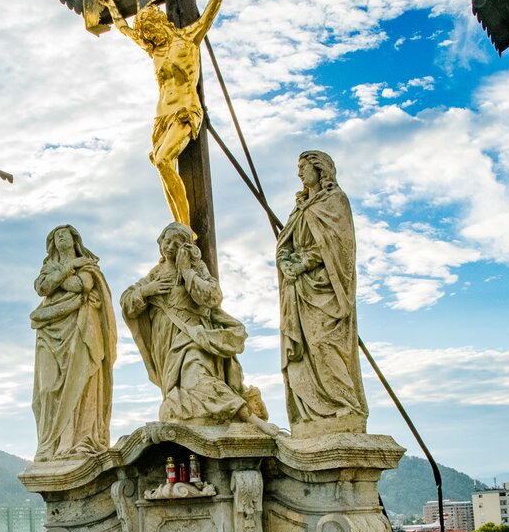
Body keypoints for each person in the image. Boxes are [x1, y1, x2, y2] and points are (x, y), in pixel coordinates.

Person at [98, 0, 242, 226]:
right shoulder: (156, 51)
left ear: (160, 22)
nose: (146, 32)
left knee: (163, 160)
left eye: (149, 26)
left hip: (186, 111)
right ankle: (179, 227)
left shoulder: (189, 37)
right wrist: (112, 7)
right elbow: (125, 31)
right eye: (145, 30)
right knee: (160, 162)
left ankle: (185, 230)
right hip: (161, 117)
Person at [121, 222, 277, 433]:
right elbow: (127, 303)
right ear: (160, 243)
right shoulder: (154, 274)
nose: (170, 247)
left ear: (186, 247)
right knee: (176, 394)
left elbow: (213, 296)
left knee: (198, 379)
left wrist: (187, 272)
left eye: (177, 244)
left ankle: (249, 418)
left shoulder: (197, 268)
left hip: (192, 335)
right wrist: (148, 290)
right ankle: (230, 416)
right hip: (164, 341)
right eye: (167, 242)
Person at [277, 150, 367, 436]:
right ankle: (313, 411)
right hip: (299, 289)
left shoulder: (335, 201)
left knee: (324, 343)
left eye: (304, 167)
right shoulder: (300, 208)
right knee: (304, 349)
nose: (300, 173)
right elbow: (284, 245)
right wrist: (286, 262)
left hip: (325, 288)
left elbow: (339, 245)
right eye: (298, 167)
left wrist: (304, 261)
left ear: (320, 169)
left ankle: (344, 405)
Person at [31, 225, 116, 460]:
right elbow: (43, 287)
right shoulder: (50, 267)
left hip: (78, 327)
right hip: (49, 328)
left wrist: (60, 277)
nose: (60, 237)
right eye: (55, 236)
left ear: (74, 239)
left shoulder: (88, 265)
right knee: (47, 388)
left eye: (64, 233)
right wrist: (70, 268)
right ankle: (48, 442)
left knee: (77, 385)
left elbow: (82, 285)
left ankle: (71, 442)